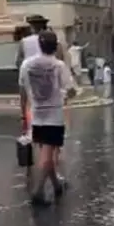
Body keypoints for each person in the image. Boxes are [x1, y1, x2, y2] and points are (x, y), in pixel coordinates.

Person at [19, 31, 77, 206]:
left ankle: (57, 185)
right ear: (55, 46)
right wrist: (65, 95)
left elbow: (22, 87)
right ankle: (38, 191)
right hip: (54, 115)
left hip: (37, 115)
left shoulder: (27, 64)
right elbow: (71, 89)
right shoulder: (58, 66)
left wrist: (24, 111)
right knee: (48, 155)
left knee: (46, 151)